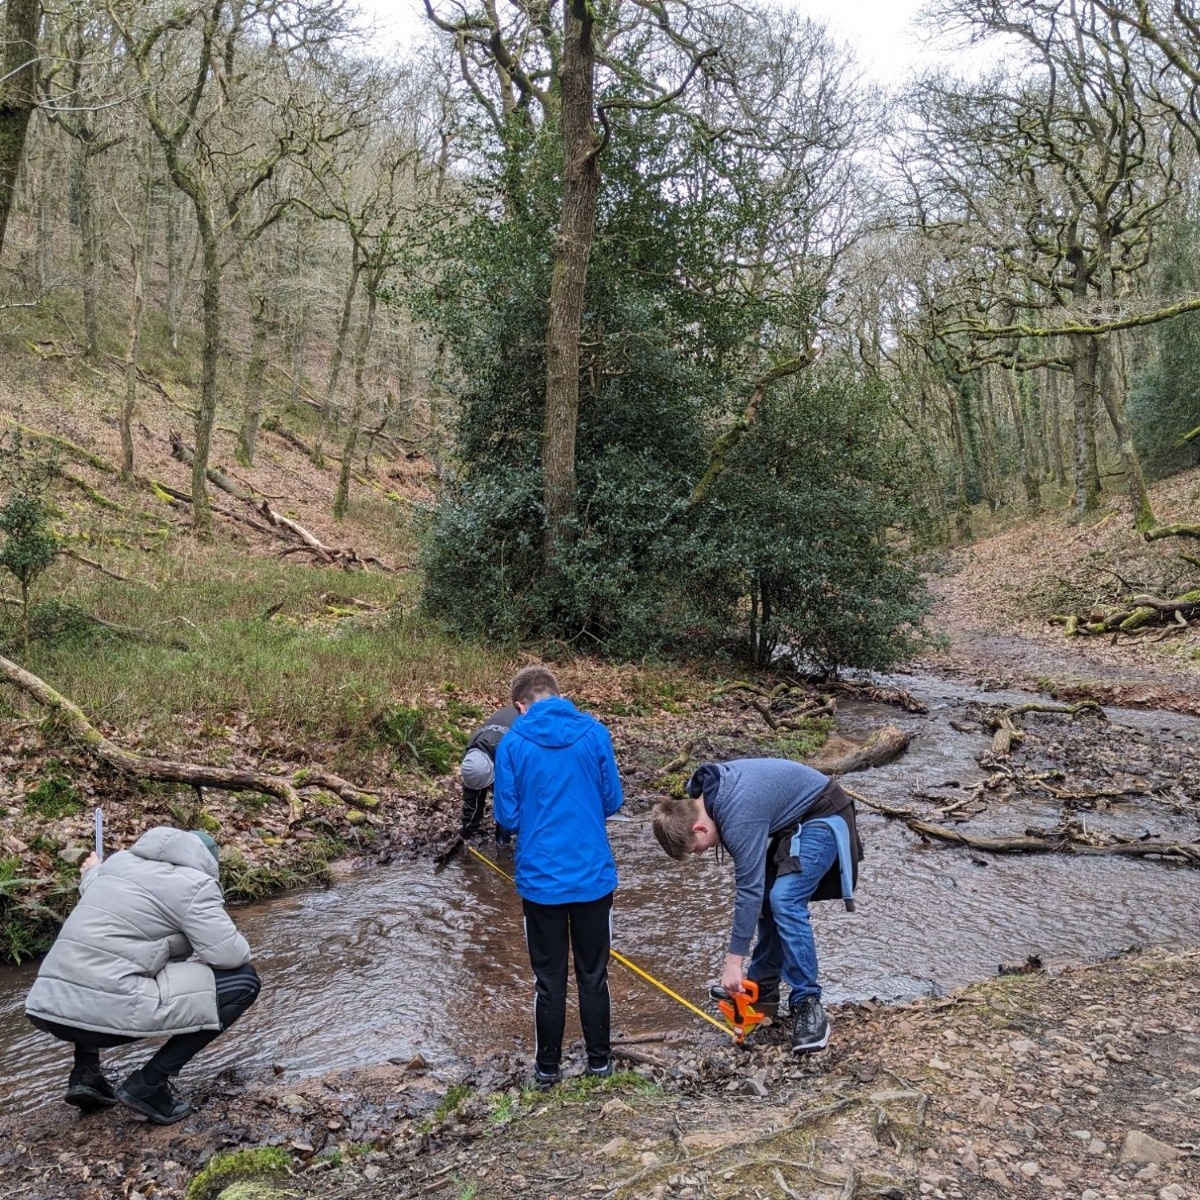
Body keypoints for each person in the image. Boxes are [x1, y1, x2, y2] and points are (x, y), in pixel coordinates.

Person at [25, 826, 261, 1124]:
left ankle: (86, 1075)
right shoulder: (195, 885)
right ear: (208, 862)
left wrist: (92, 870)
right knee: (244, 982)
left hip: (48, 1008)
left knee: (99, 960)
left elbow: (93, 885)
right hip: (100, 1022)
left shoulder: (117, 864)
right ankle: (149, 1084)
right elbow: (231, 956)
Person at [651, 758, 862, 1055]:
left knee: (784, 899)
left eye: (696, 849)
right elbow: (752, 892)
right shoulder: (701, 800)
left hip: (823, 813)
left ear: (699, 828)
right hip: (791, 822)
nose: (701, 853)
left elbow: (747, 889)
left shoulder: (737, 815)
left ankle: (809, 1005)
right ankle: (763, 990)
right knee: (765, 900)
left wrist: (732, 964)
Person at [493, 664, 624, 1089]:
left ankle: (547, 1072)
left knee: (548, 981)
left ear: (520, 705)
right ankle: (600, 1065)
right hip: (592, 876)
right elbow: (611, 801)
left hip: (541, 881)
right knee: (594, 974)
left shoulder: (513, 742)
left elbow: (508, 816)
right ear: (557, 693)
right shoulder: (595, 732)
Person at [458, 701, 520, 842]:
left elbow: (509, 796)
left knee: (509, 796)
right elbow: (473, 794)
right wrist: (465, 831)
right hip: (501, 732)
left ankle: (503, 842)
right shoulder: (471, 759)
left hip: (522, 722)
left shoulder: (509, 751)